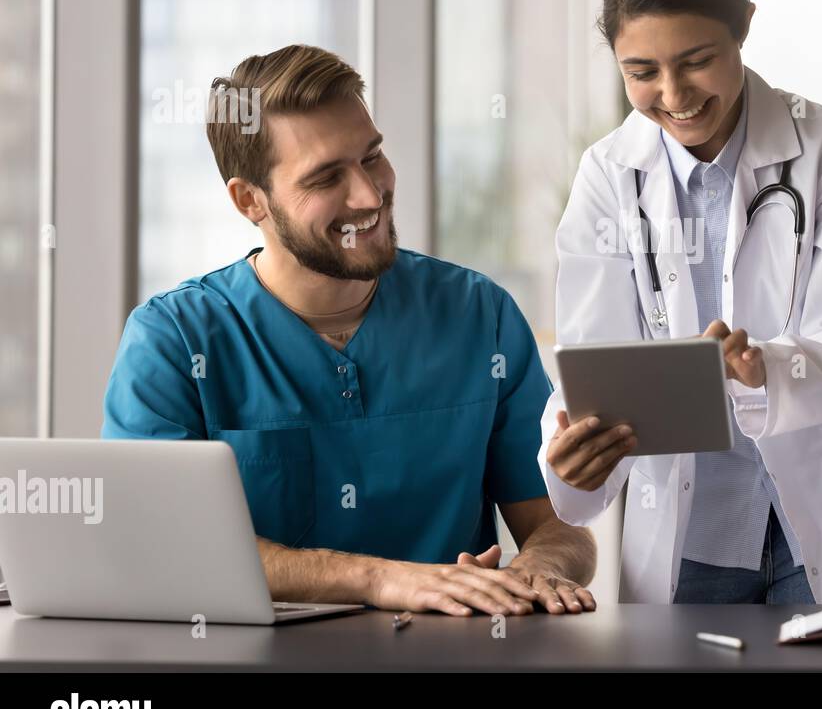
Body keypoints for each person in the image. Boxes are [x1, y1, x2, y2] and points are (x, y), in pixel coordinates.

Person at [104, 44, 597, 617]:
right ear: (249, 200)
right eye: (325, 177)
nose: (369, 195)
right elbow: (160, 548)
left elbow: (560, 523)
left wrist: (538, 569)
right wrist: (377, 579)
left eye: (372, 156)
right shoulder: (173, 342)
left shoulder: (479, 316)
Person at [541, 0, 822, 604]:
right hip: (694, 529)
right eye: (641, 72)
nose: (673, 92)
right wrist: (568, 451)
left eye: (697, 59)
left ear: (743, 28)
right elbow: (592, 360)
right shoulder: (608, 174)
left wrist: (762, 368)